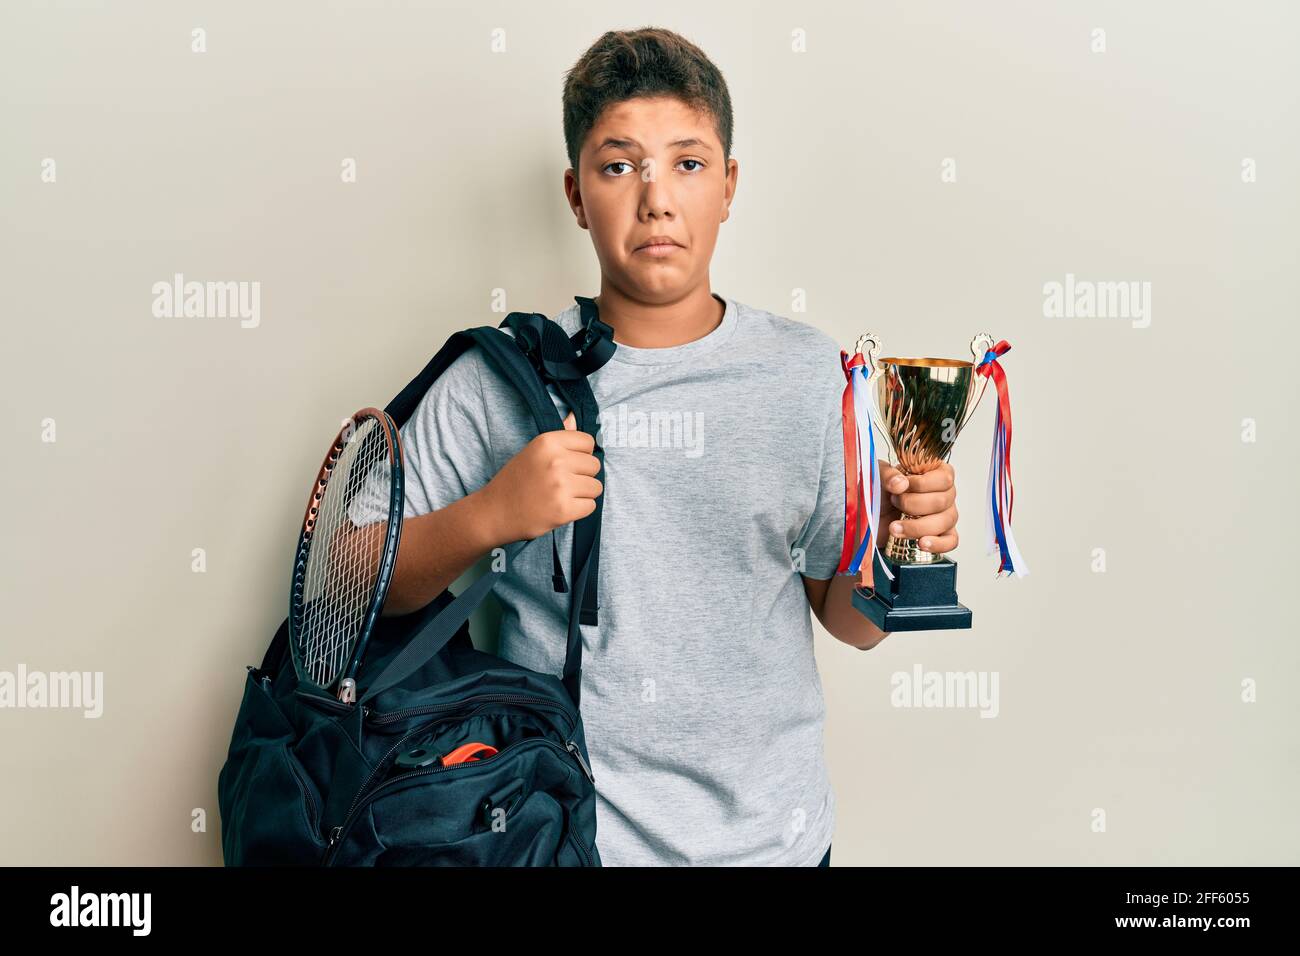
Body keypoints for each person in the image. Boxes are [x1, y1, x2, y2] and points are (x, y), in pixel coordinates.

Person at [379, 28, 959, 866]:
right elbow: (349, 587)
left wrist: (902, 545)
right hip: (566, 842)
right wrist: (489, 516)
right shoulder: (501, 380)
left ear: (729, 186)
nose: (656, 199)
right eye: (620, 166)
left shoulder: (807, 375)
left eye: (688, 163)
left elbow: (849, 621)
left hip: (779, 845)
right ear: (577, 195)